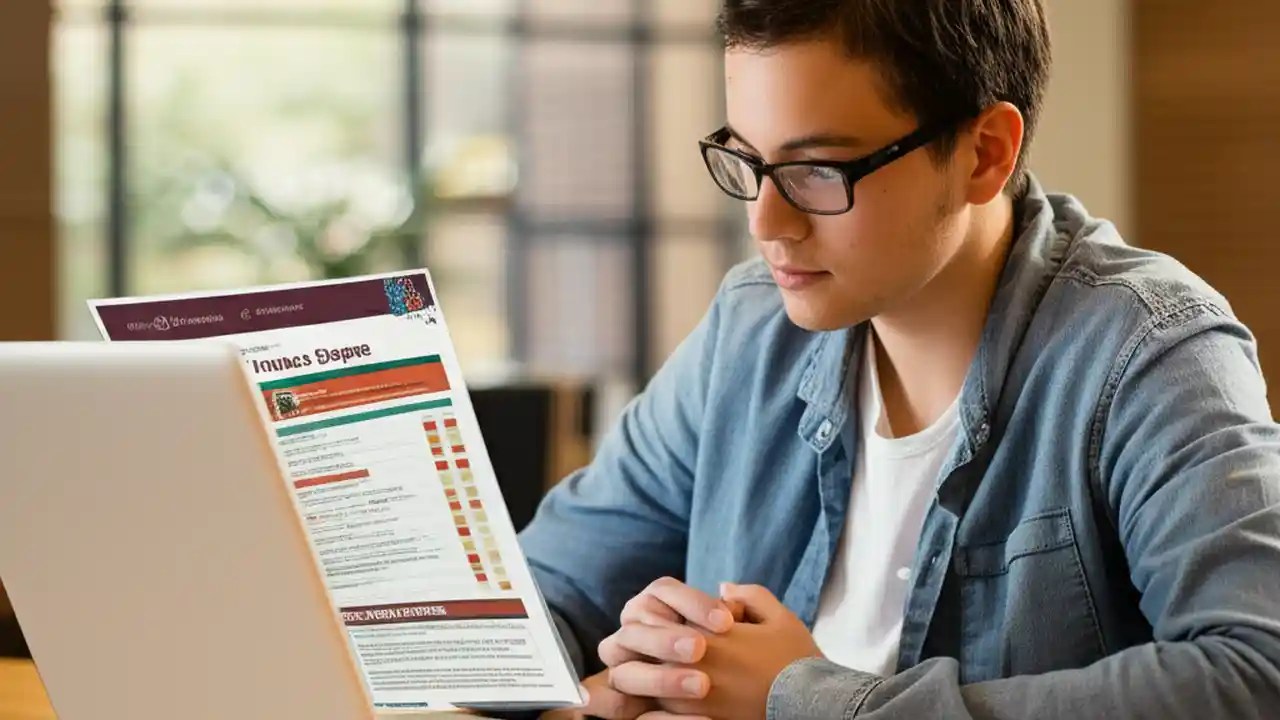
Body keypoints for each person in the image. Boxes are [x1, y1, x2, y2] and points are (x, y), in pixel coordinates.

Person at [519, 1, 1280, 718]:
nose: (765, 223)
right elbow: (534, 598)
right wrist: (593, 693)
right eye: (746, 159)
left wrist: (801, 700)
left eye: (818, 170)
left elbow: (1256, 673)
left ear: (984, 154)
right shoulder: (750, 330)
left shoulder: (1148, 350)